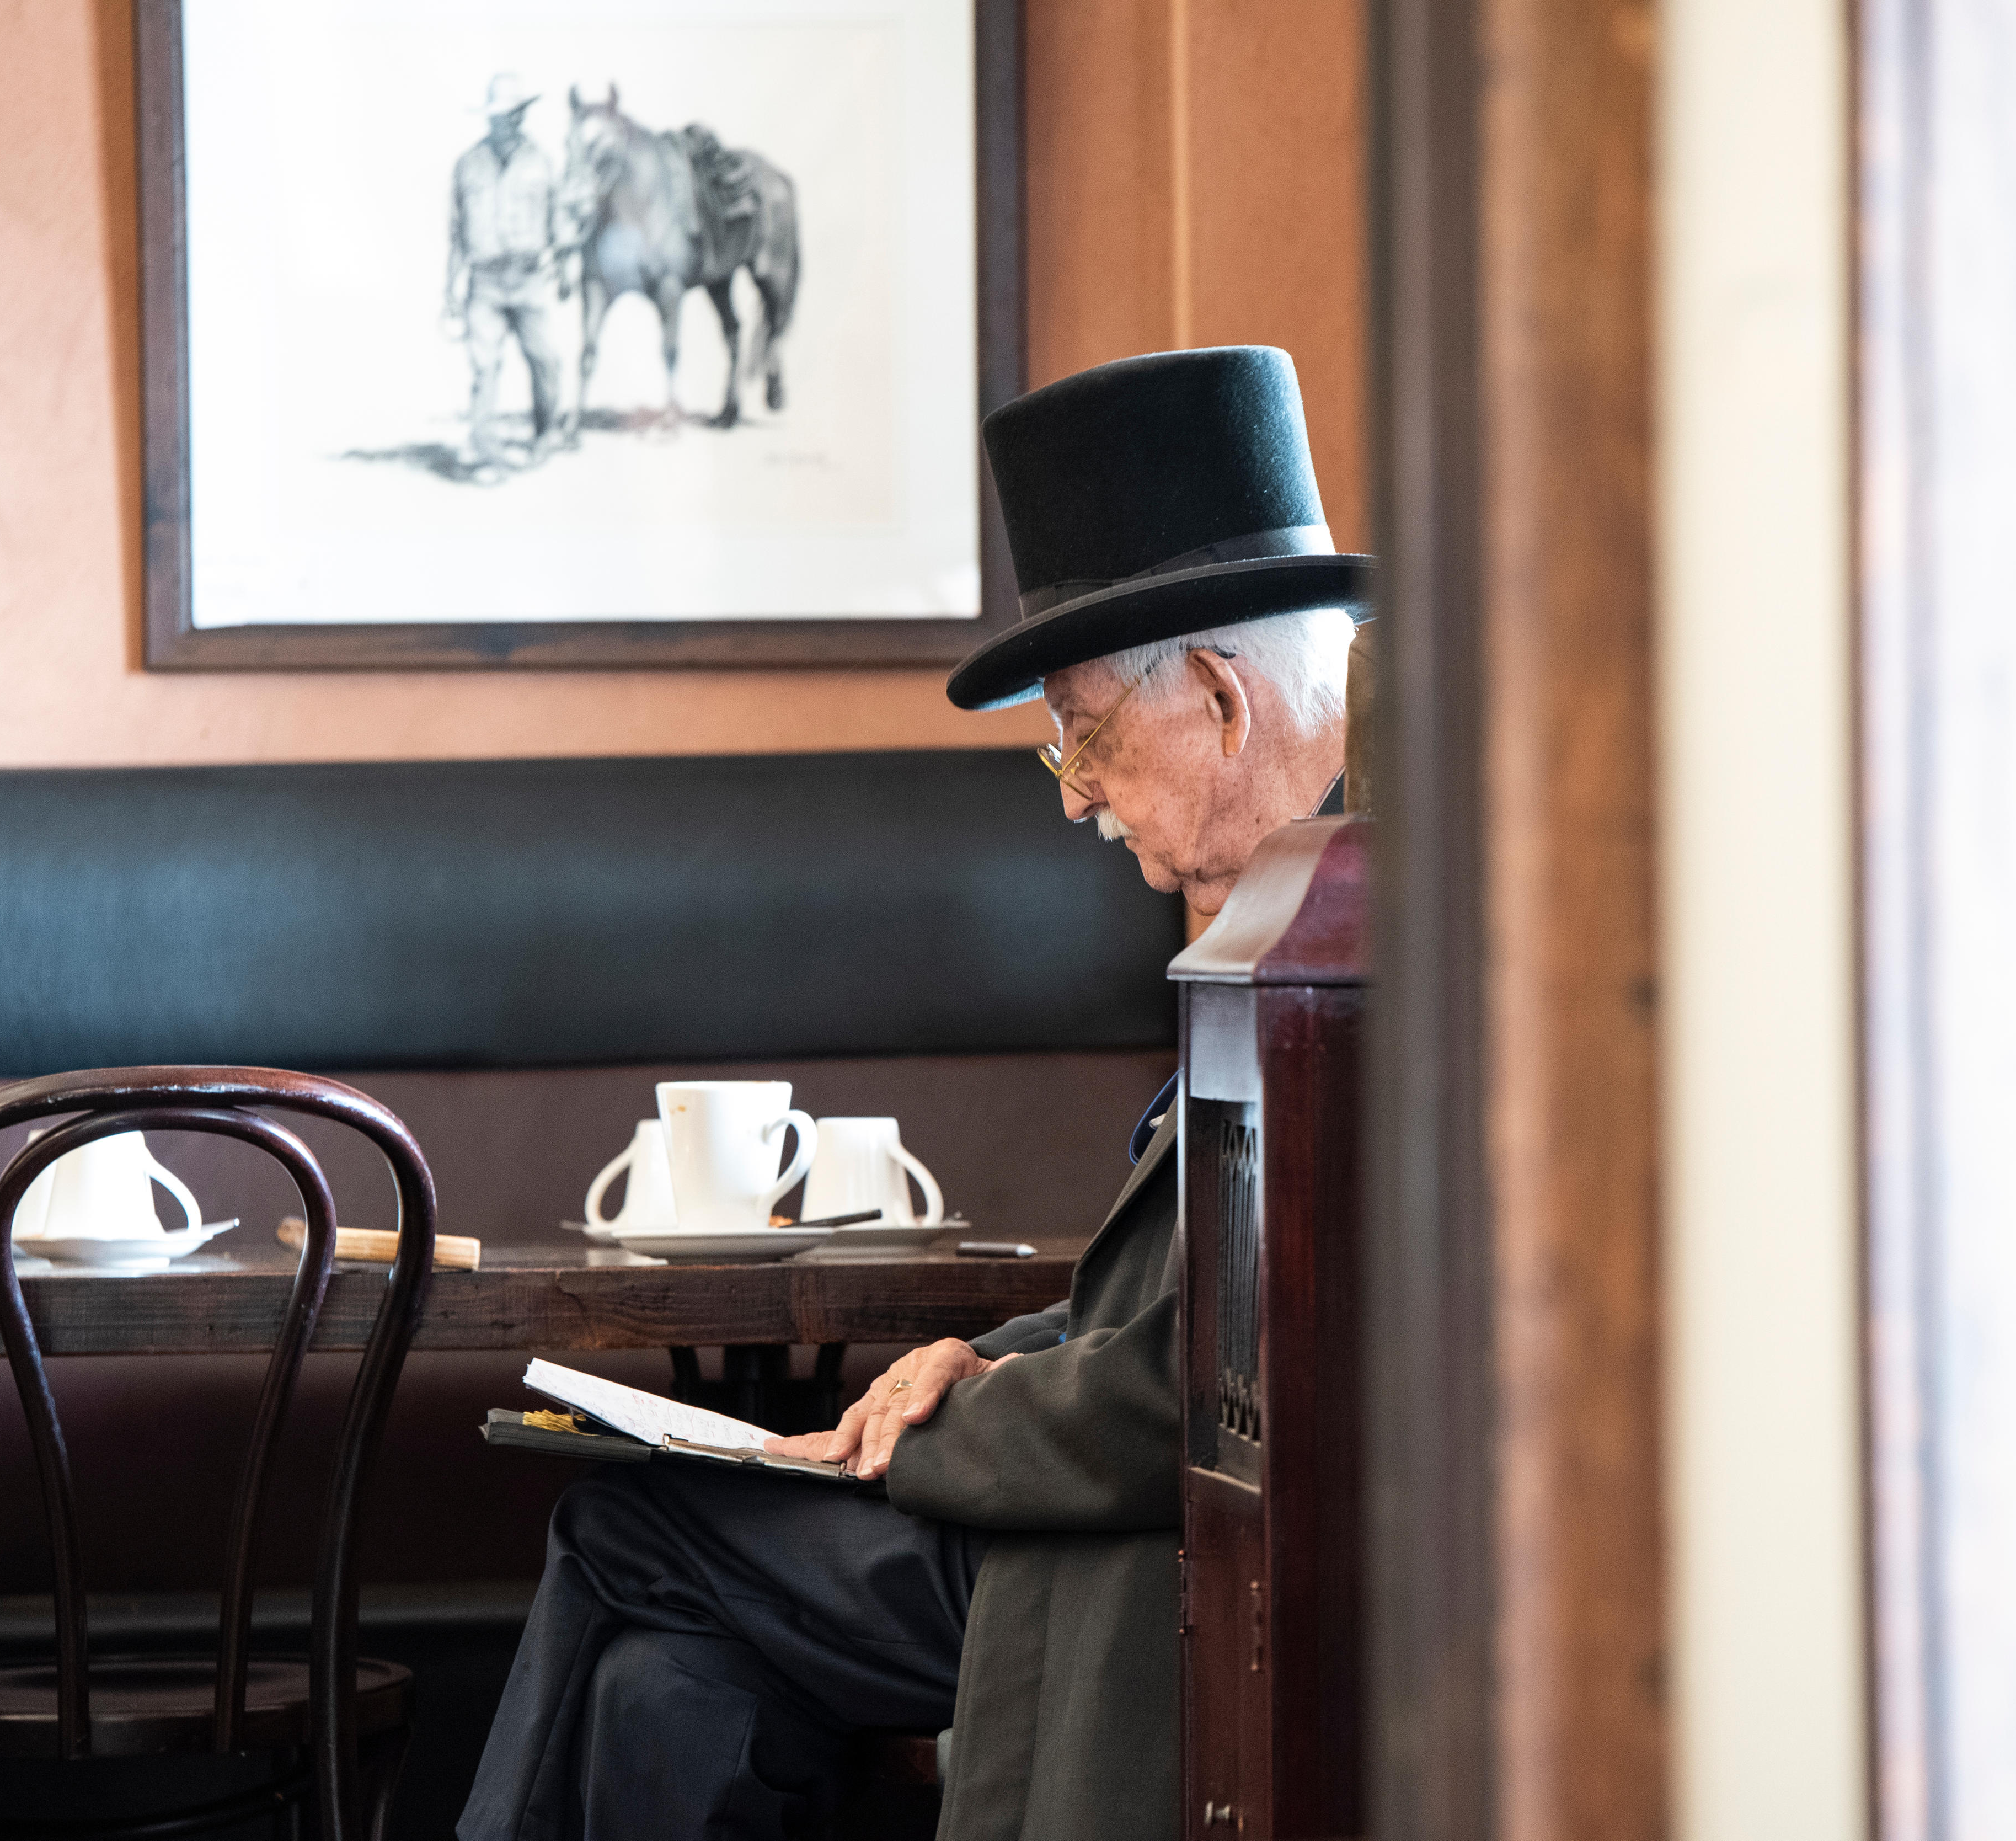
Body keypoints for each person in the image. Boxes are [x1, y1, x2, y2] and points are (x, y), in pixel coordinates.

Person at [457, 346, 1375, 1841]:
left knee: (620, 1524)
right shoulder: (1293, 909)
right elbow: (1176, 1315)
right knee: (665, 1685)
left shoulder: (1343, 947)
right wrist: (971, 1351)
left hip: (1126, 1554)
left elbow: (1229, 1390)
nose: (1073, 790)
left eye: (1084, 729)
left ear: (1219, 695)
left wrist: (947, 1420)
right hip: (1092, 1508)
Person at [445, 73, 565, 477]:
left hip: (530, 279)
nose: (505, 122)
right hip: (485, 282)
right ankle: (484, 449)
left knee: (545, 360)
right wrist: (449, 290)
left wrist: (563, 265)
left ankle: (546, 435)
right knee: (485, 367)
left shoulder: (542, 161)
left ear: (522, 116)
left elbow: (557, 222)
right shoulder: (467, 165)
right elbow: (457, 234)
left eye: (512, 114)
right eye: (498, 115)